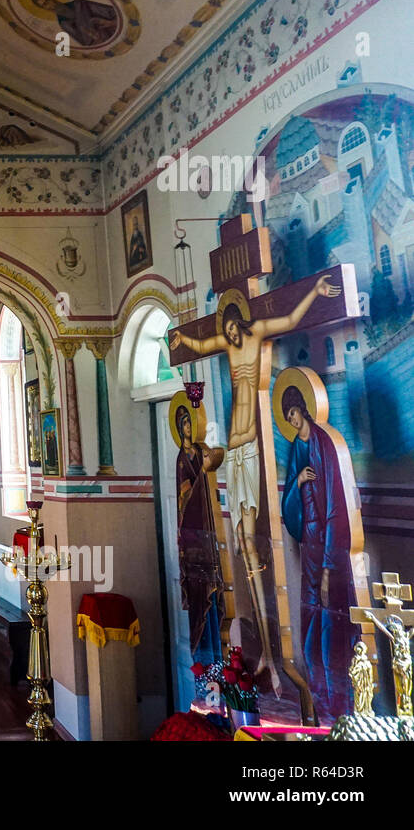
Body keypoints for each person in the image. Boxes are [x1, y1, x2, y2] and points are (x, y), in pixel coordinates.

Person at [170, 274, 341, 689]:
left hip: (254, 445)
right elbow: (200, 342)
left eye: (232, 323)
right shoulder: (226, 344)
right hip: (235, 441)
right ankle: (264, 651)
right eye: (225, 326)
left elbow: (287, 317)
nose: (229, 330)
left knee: (262, 538)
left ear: (242, 320)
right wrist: (181, 340)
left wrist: (314, 293)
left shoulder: (258, 333)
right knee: (246, 543)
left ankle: (278, 655)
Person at [280, 383, 358, 719]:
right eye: (286, 416)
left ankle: (340, 697)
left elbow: (336, 505)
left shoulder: (326, 443)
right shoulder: (297, 446)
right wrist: (297, 483)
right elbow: (288, 504)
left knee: (331, 617)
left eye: (293, 412)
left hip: (329, 544)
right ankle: (318, 693)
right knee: (310, 614)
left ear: (303, 408)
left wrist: (328, 564)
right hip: (309, 542)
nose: (292, 419)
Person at [174, 405, 226, 660]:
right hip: (193, 534)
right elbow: (184, 498)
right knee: (199, 595)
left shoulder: (199, 451)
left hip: (208, 531)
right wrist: (202, 472)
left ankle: (216, 654)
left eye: (188, 423)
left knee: (214, 593)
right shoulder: (181, 459)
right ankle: (202, 657)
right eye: (183, 424)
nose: (187, 428)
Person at [29, 0, 120, 49]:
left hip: (115, 31)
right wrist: (96, 41)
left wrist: (110, 23)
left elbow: (113, 12)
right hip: (107, 44)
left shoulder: (80, 4)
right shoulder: (64, 24)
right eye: (44, 5)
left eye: (47, 1)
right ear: (43, 9)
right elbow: (86, 44)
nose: (49, 5)